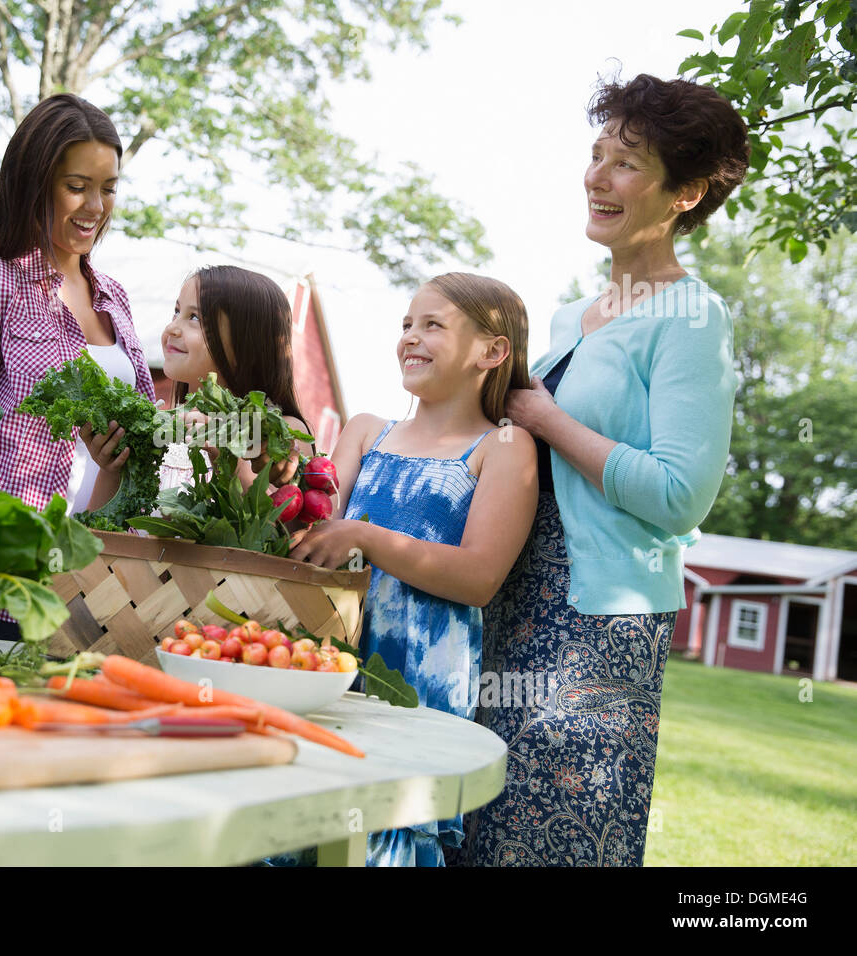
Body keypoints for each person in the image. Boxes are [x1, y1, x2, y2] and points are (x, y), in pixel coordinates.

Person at [462, 74, 749, 867]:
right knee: (475, 821)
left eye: (626, 163)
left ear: (685, 193)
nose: (597, 177)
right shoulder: (568, 318)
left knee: (553, 836)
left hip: (597, 618)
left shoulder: (693, 317)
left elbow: (679, 496)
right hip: (511, 594)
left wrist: (551, 420)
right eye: (596, 156)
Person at [287, 273, 538, 866]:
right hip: (329, 663)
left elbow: (479, 578)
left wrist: (367, 537)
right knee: (304, 822)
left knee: (381, 838)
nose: (411, 338)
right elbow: (307, 529)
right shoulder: (366, 431)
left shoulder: (502, 446)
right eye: (406, 324)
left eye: (433, 325)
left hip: (421, 686)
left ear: (492, 351)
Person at [0, 93, 155, 640]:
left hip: (102, 585)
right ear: (35, 182)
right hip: (10, 586)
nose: (95, 207)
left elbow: (144, 441)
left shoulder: (115, 298)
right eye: (77, 186)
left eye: (108, 188)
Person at [85, 264, 309, 509]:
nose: (172, 327)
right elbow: (98, 532)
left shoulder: (278, 433)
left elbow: (283, 535)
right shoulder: (153, 427)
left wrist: (229, 466)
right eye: (176, 311)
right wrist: (112, 469)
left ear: (246, 345)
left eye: (194, 318)